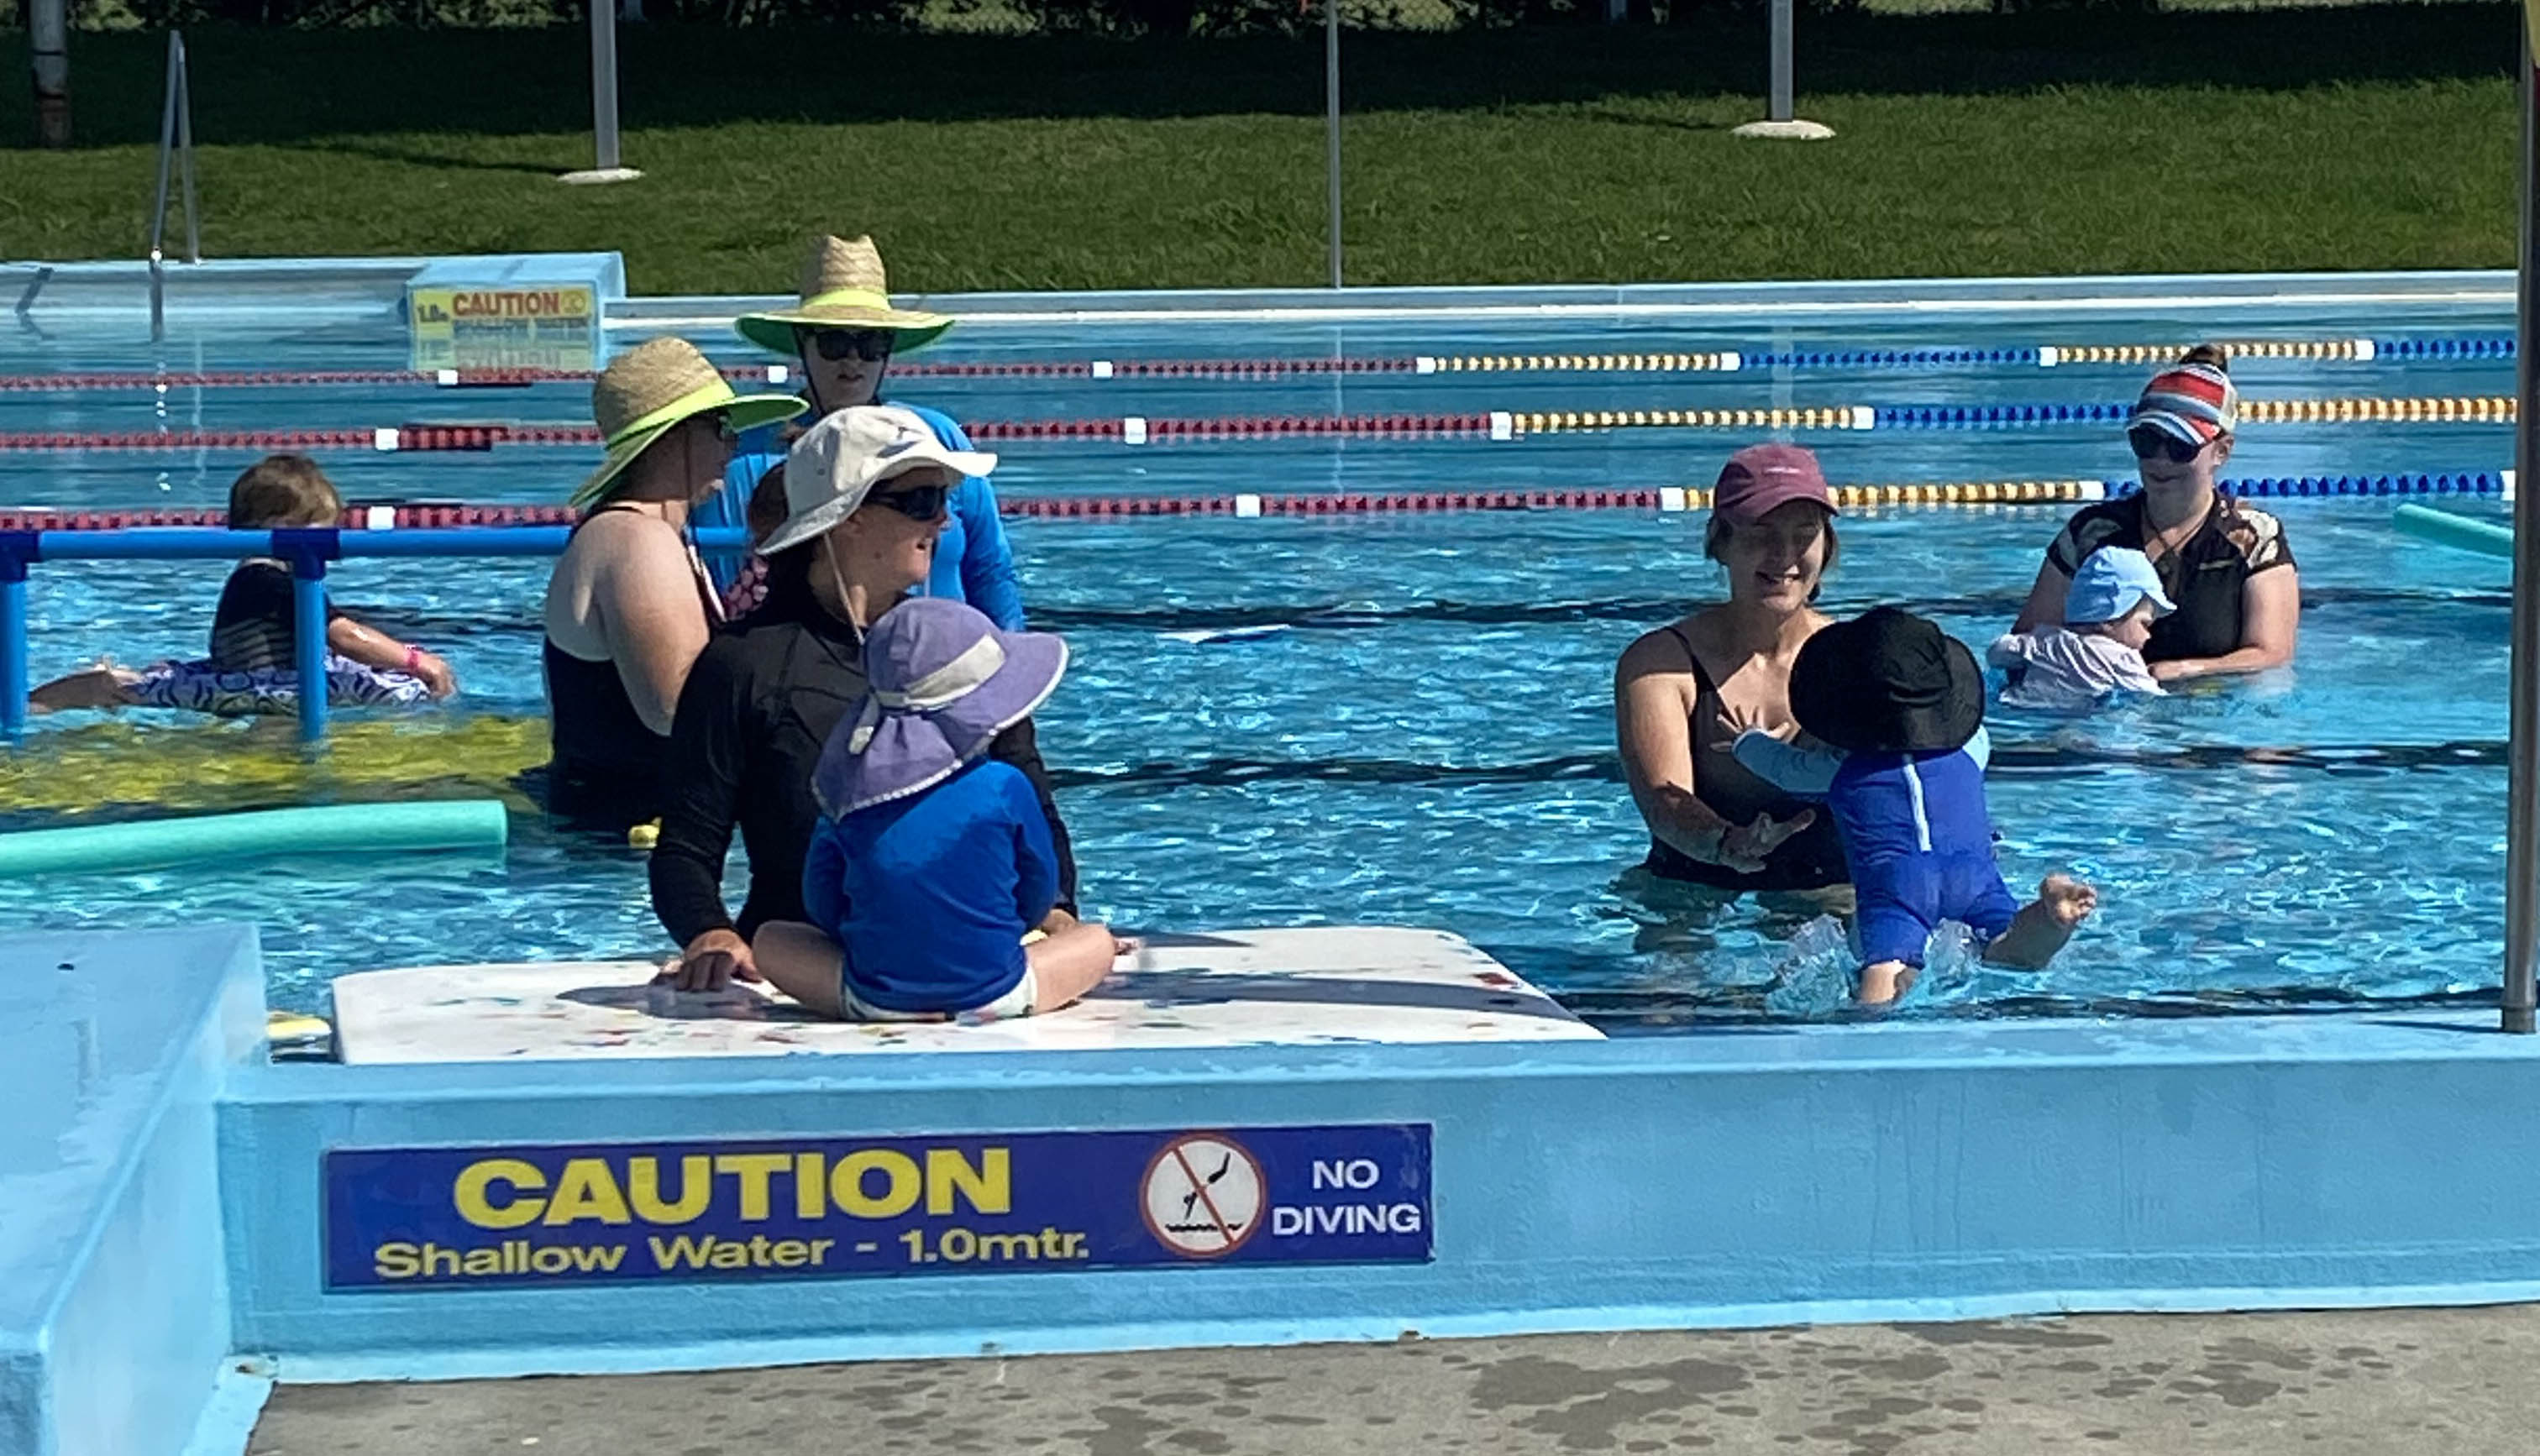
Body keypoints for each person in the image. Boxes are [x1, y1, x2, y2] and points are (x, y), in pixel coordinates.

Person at [651, 406, 1080, 992]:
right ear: (847, 518)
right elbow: (686, 848)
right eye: (923, 501)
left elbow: (1034, 806)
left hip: (960, 964)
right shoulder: (744, 664)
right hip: (801, 968)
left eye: (945, 500)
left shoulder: (966, 654)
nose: (946, 523)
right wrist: (710, 932)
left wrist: (1056, 910)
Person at [752, 597, 1126, 1020]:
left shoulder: (847, 792)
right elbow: (1038, 889)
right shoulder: (1005, 785)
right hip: (997, 990)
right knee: (1096, 941)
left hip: (873, 995)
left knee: (770, 940)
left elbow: (821, 903)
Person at [1731, 607, 2098, 1006]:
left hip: (1898, 884)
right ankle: (2048, 918)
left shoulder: (1839, 769)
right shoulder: (1972, 748)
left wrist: (1746, 740)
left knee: (1881, 974)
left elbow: (1784, 769)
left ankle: (1873, 1026)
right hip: (1973, 872)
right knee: (2008, 951)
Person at [538, 337, 804, 830]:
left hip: (605, 823)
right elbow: (677, 709)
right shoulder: (639, 543)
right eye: (720, 427)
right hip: (624, 844)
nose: (733, 443)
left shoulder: (639, 536)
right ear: (672, 437)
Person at [719, 233, 1024, 629]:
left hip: (947, 672)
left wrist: (1009, 662)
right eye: (834, 342)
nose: (853, 360)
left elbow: (990, 572)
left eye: (872, 343)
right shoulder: (748, 458)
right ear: (801, 343)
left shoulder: (938, 440)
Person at [29, 454, 457, 715]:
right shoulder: (269, 577)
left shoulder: (263, 573)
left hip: (250, 676)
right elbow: (345, 636)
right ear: (280, 528)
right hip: (253, 683)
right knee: (408, 692)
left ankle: (61, 694)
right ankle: (40, 700)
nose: (327, 547)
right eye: (321, 532)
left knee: (143, 685)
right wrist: (418, 660)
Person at [1614, 443, 1849, 894]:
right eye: (1761, 533)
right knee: (1668, 960)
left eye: (1804, 534)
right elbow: (1663, 802)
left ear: (1827, 545)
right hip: (1689, 885)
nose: (1784, 555)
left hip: (1826, 887)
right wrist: (1727, 844)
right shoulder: (1660, 664)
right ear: (1721, 543)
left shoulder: (1856, 660)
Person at [2012, 346, 2298, 683]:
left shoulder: (2253, 539)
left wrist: (2184, 671)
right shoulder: (2092, 533)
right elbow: (2025, 643)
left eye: (2180, 447)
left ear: (2221, 451)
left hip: (2210, 714)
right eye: (2146, 442)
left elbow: (2271, 654)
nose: (2159, 460)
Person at [1987, 547, 2174, 710]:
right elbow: (2153, 698)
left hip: (2020, 708)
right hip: (2079, 717)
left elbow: (1997, 652)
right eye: (2144, 624)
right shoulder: (2123, 660)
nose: (2148, 635)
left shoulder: (2044, 641)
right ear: (2110, 619)